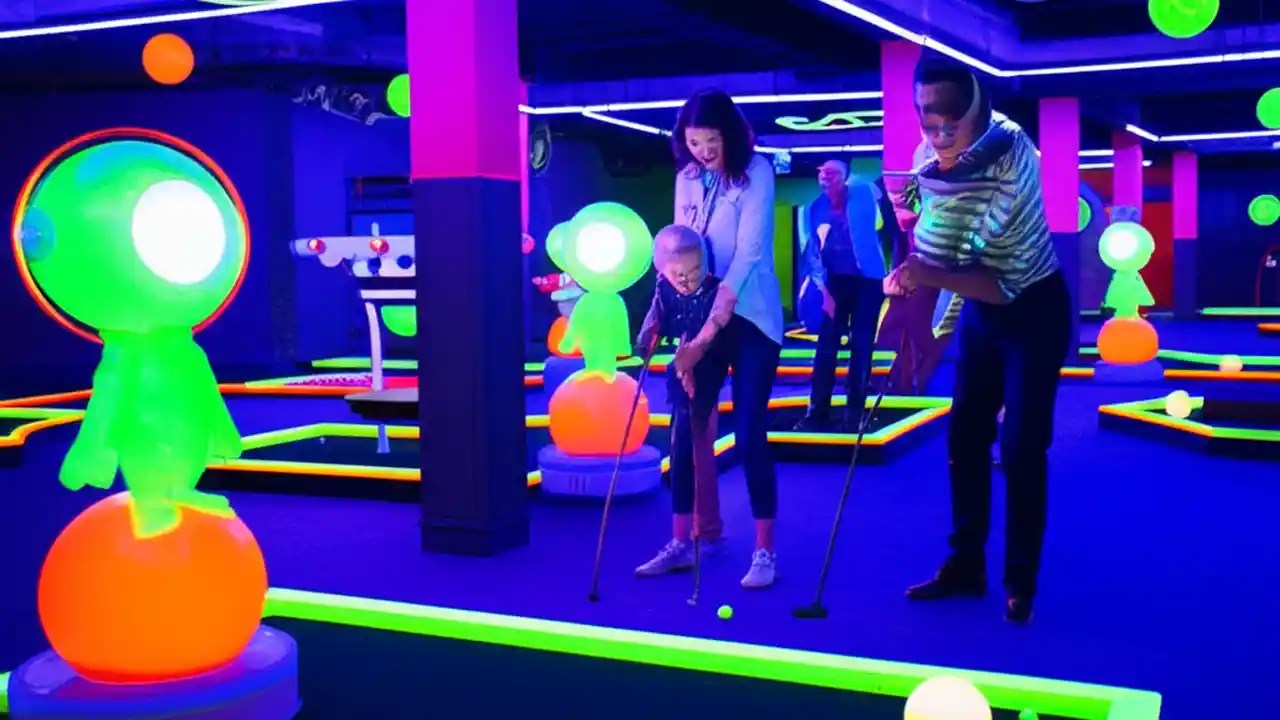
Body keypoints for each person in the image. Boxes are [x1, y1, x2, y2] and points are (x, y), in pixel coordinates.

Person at [887, 57, 1072, 624]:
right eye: (927, 119)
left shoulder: (1014, 153)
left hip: (1031, 307)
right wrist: (907, 243)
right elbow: (928, 226)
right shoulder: (927, 158)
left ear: (978, 109)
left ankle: (1021, 579)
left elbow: (990, 273)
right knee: (964, 438)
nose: (939, 133)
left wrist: (926, 270)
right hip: (980, 314)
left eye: (951, 120)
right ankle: (965, 565)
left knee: (1020, 447)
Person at [634, 88, 785, 589]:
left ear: (731, 134)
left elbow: (749, 253)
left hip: (751, 317)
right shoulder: (687, 179)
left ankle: (764, 550)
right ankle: (688, 539)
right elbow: (679, 248)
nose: (701, 150)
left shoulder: (756, 172)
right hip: (698, 318)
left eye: (710, 140)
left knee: (747, 430)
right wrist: (661, 316)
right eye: (693, 141)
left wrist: (711, 328)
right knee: (684, 427)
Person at [634, 225, 726, 576]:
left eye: (694, 271)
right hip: (678, 376)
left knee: (692, 450)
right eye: (677, 274)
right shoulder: (663, 289)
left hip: (707, 374)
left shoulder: (717, 291)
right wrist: (648, 338)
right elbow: (653, 323)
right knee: (685, 451)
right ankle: (694, 537)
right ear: (662, 270)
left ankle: (689, 539)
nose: (687, 280)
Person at [795, 160, 887, 431]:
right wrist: (824, 292)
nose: (824, 177)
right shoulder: (814, 208)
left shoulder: (863, 193)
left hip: (868, 280)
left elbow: (882, 191)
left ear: (845, 177)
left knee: (861, 345)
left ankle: (854, 412)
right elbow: (812, 253)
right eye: (821, 172)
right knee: (826, 344)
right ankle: (817, 410)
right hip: (835, 280)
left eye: (831, 173)